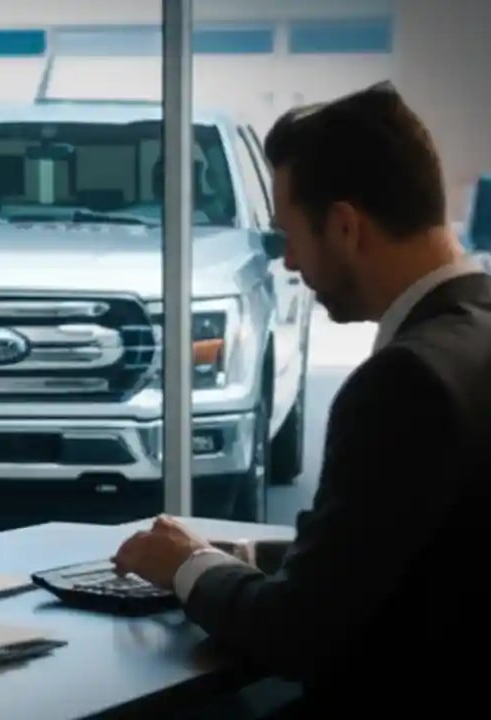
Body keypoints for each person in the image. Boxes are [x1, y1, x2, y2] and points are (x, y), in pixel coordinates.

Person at [112, 82, 491, 712]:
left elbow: (295, 632)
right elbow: (412, 542)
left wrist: (186, 568)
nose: (288, 263)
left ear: (345, 226)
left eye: (290, 235)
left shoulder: (405, 382)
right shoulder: (474, 337)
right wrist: (243, 557)